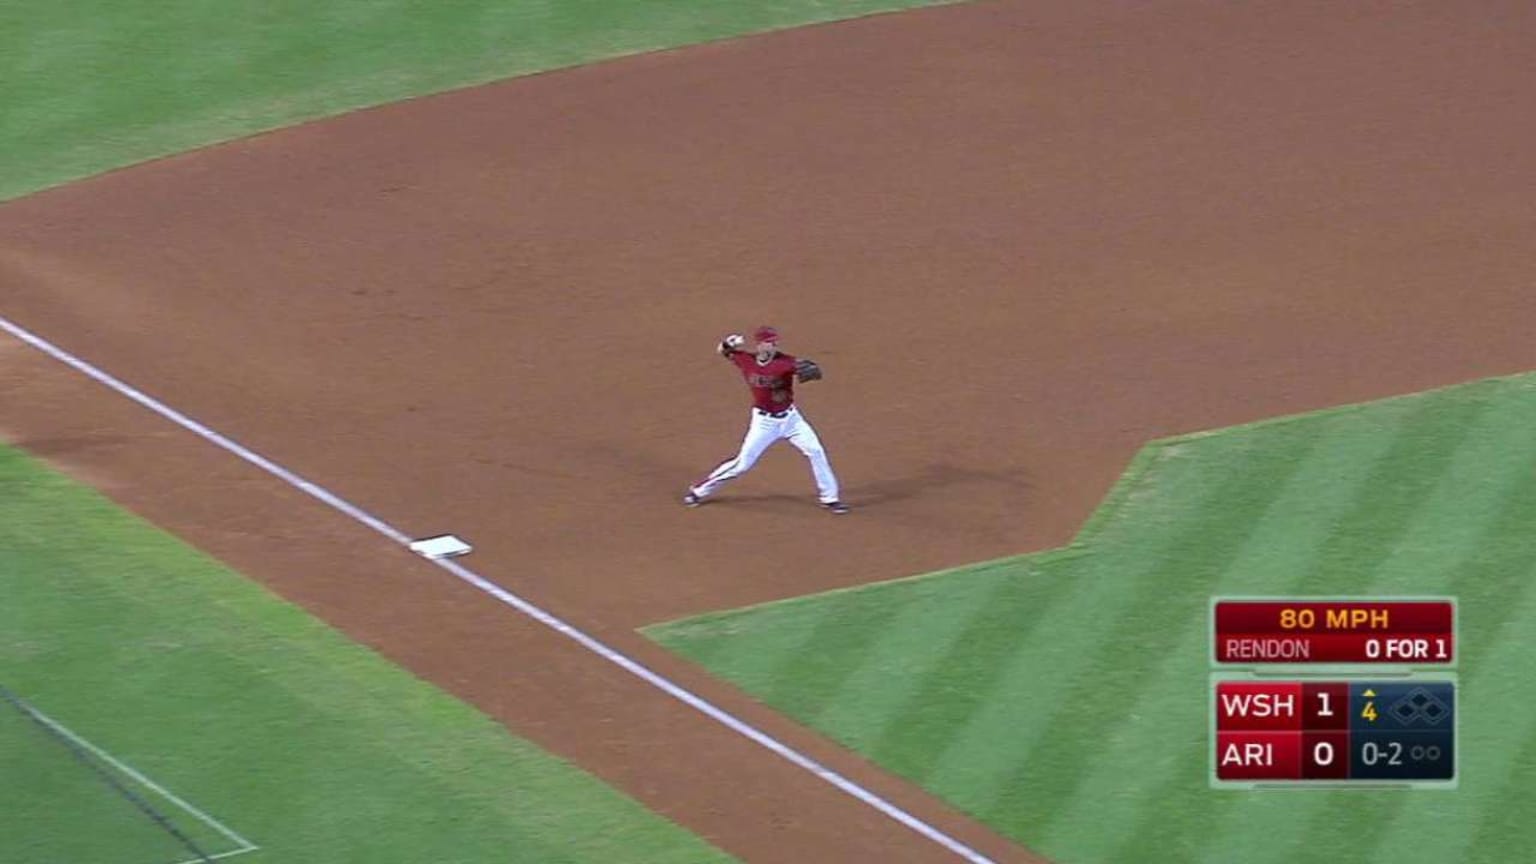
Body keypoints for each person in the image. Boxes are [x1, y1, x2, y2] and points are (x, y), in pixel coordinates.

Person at [684, 326, 849, 514]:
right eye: (769, 342)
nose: (773, 345)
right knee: (742, 464)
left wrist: (811, 368)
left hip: (791, 420)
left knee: (816, 451)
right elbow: (724, 351)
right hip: (764, 423)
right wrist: (727, 343)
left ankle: (830, 498)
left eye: (775, 342)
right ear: (760, 344)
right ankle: (698, 491)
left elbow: (806, 367)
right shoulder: (746, 360)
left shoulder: (786, 362)